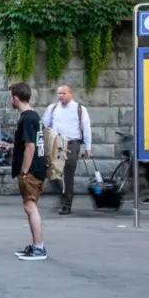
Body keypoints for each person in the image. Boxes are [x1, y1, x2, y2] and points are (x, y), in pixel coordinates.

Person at [10, 82, 48, 261]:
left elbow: (30, 147)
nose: (11, 100)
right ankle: (36, 245)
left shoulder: (26, 118)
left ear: (16, 98)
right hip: (39, 166)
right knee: (30, 206)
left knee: (30, 206)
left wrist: (24, 171)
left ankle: (39, 248)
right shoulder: (35, 117)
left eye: (11, 97)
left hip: (31, 169)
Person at [42, 84, 92, 215]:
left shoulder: (79, 109)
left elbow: (86, 128)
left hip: (71, 144)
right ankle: (63, 194)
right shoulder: (52, 108)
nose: (60, 96)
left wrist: (88, 147)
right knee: (54, 172)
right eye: (58, 93)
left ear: (70, 94)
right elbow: (45, 125)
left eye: (63, 93)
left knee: (68, 174)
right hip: (55, 143)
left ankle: (66, 204)